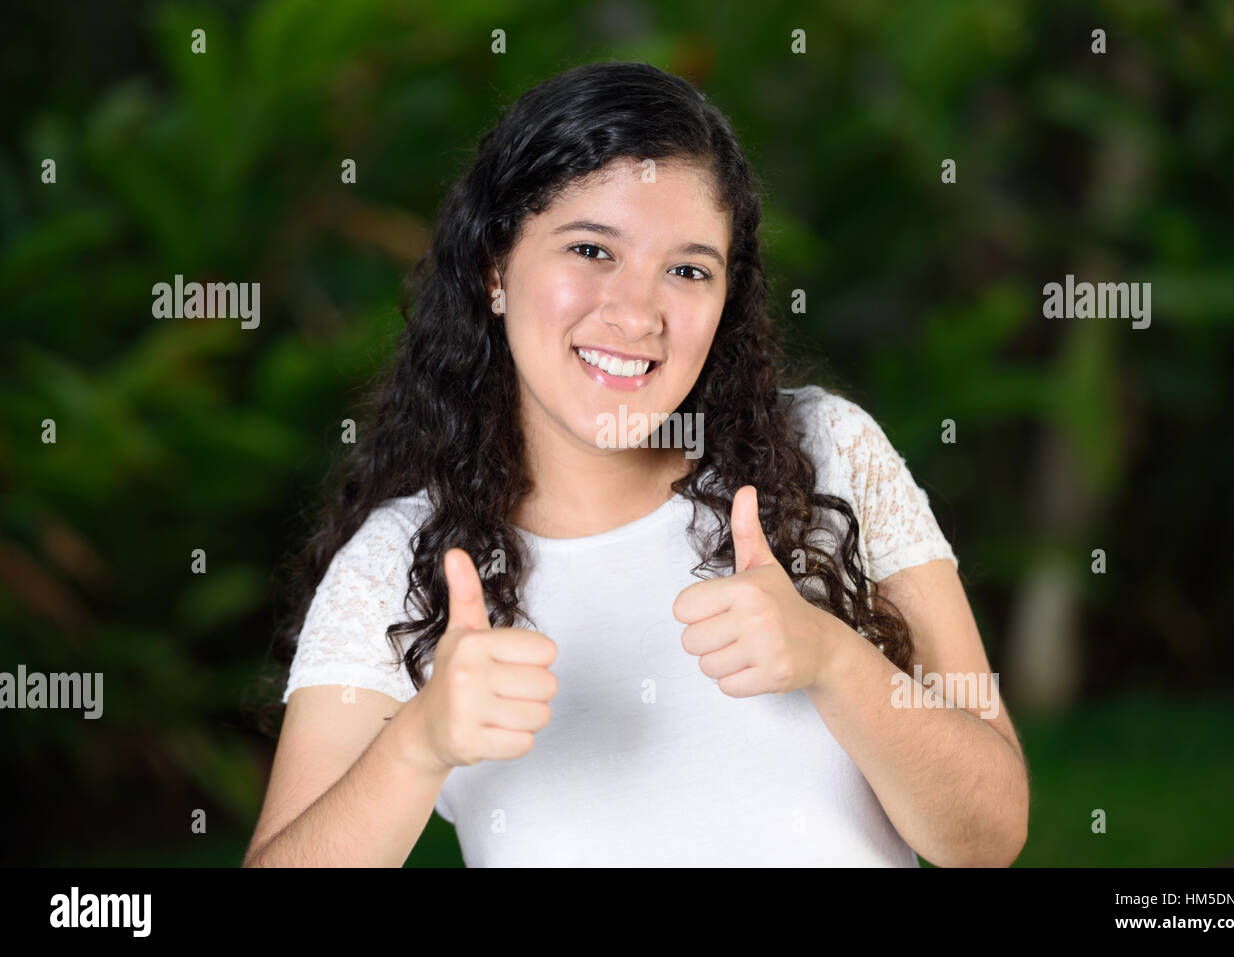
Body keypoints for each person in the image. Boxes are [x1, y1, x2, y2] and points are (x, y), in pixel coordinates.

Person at [243, 60, 1028, 867]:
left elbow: (991, 835)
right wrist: (416, 744)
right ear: (494, 271)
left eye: (688, 270)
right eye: (591, 249)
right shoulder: (398, 564)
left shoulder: (827, 452)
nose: (636, 314)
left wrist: (834, 660)